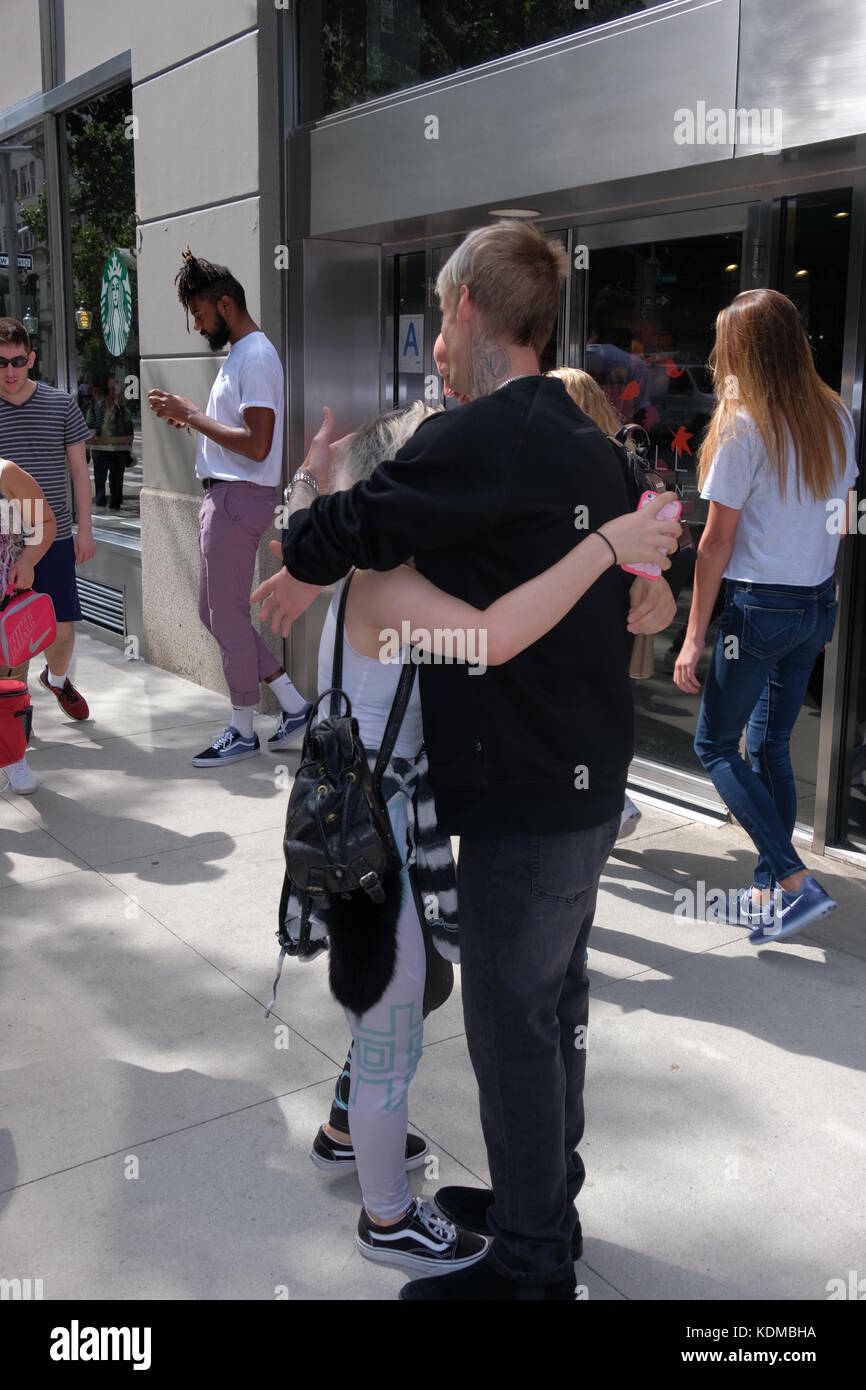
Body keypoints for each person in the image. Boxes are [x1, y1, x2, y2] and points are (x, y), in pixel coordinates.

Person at [254, 220, 679, 1300]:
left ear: (470, 310)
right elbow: (632, 586)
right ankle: (544, 1203)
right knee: (553, 1009)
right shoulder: (583, 438)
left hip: (529, 799)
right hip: (583, 785)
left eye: (442, 313)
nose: (437, 336)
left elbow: (360, 518)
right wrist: (647, 580)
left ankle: (531, 1261)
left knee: (509, 1025)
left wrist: (298, 563)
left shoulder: (483, 433)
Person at [673, 288, 857, 942]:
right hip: (813, 605)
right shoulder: (836, 416)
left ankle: (790, 881)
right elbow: (838, 518)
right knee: (771, 743)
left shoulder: (745, 426)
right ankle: (770, 887)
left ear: (742, 351)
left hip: (758, 611)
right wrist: (825, 591)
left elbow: (716, 543)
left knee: (715, 746)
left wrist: (693, 635)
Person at [147, 249, 311, 767]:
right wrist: (196, 422)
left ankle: (242, 727)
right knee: (213, 613)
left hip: (238, 500)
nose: (198, 326)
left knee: (228, 616)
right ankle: (293, 705)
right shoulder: (242, 354)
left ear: (225, 303)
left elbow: (259, 445)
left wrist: (192, 416)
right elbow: (242, 438)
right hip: (226, 497)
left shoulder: (256, 356)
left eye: (199, 314)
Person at [0, 317, 95, 748]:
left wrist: (86, 529)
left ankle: (56, 680)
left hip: (52, 536)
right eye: (1, 363)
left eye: (18, 360)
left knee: (61, 629)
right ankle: (16, 714)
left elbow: (79, 470)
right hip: (4, 541)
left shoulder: (60, 405)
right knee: (9, 638)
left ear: (31, 358)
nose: (10, 370)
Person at [0, 456, 57, 792]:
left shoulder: (6, 473)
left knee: (8, 689)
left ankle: (13, 759)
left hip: (5, 603)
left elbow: (45, 522)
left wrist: (28, 559)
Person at [88, 377, 133, 511]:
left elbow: (129, 438)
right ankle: (102, 508)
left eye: (117, 390)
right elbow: (90, 434)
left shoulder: (124, 412)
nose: (115, 393)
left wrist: (106, 440)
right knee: (100, 484)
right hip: (100, 452)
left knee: (116, 486)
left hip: (118, 453)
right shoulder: (95, 409)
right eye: (113, 389)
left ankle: (114, 505)